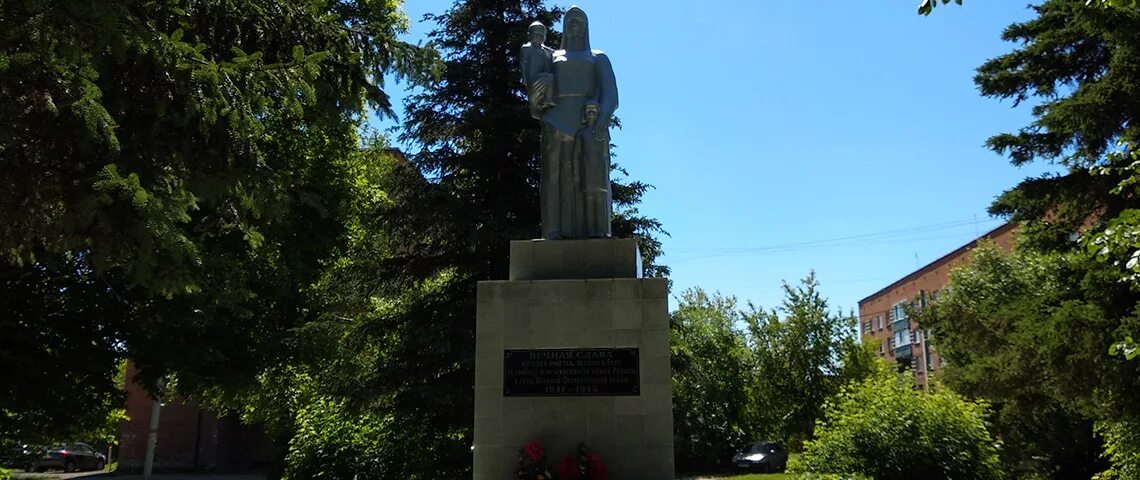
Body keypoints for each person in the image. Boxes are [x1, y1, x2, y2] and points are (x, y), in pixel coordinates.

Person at [575, 103, 611, 237]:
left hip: (599, 171)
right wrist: (577, 172)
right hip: (587, 171)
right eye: (588, 112)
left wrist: (606, 170)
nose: (591, 115)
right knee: (589, 201)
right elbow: (577, 155)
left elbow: (606, 154)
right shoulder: (582, 134)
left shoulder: (602, 132)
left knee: (600, 200)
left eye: (594, 112)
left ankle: (601, 230)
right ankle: (590, 230)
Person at [519, 21, 556, 120]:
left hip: (545, 78)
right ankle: (548, 99)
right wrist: (524, 78)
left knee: (552, 77)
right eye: (536, 34)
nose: (539, 37)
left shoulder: (547, 51)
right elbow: (523, 63)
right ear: (530, 35)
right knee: (549, 77)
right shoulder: (527, 48)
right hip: (533, 78)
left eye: (542, 35)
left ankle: (548, 100)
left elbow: (555, 55)